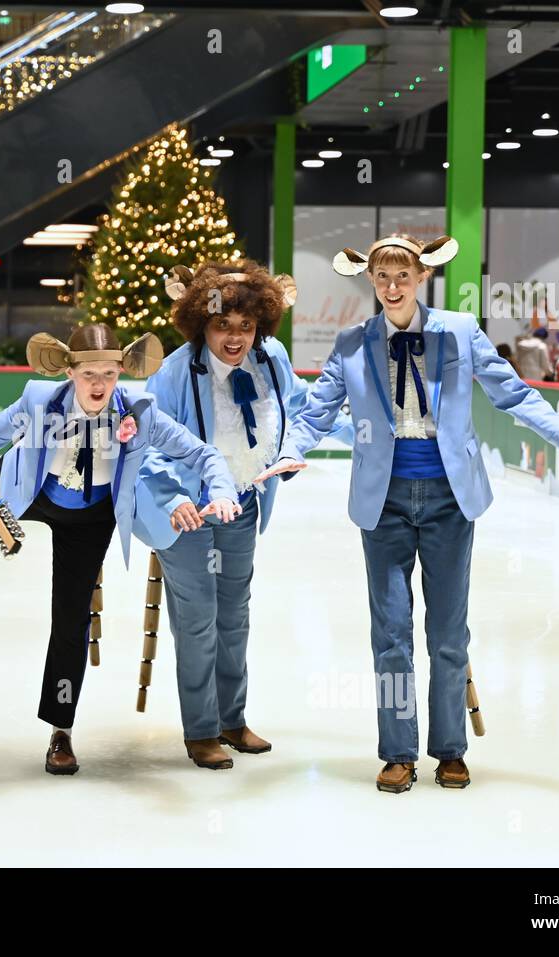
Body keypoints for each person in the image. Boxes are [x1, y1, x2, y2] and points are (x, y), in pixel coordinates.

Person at [257, 234, 559, 793]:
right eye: (382, 277)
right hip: (384, 503)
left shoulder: (459, 331)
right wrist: (289, 451)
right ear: (371, 281)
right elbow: (318, 411)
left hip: (451, 499)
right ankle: (398, 751)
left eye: (403, 277)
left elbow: (512, 393)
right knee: (391, 635)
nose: (393, 286)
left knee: (448, 634)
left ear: (423, 278)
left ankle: (450, 748)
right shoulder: (353, 343)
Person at [0, 324, 239, 775]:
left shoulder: (139, 413)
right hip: (33, 492)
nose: (99, 384)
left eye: (109, 373)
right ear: (69, 372)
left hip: (89, 516)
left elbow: (204, 454)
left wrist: (221, 491)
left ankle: (60, 732)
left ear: (120, 372)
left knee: (70, 621)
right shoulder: (37, 403)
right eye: (88, 373)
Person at [133, 260, 352, 770]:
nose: (235, 338)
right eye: (222, 326)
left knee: (235, 617)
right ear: (200, 324)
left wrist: (364, 431)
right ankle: (201, 730)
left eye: (246, 326)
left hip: (245, 504)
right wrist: (171, 499)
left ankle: (232, 719)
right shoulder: (174, 372)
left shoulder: (271, 358)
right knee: (198, 620)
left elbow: (300, 410)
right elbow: (146, 445)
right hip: (188, 512)